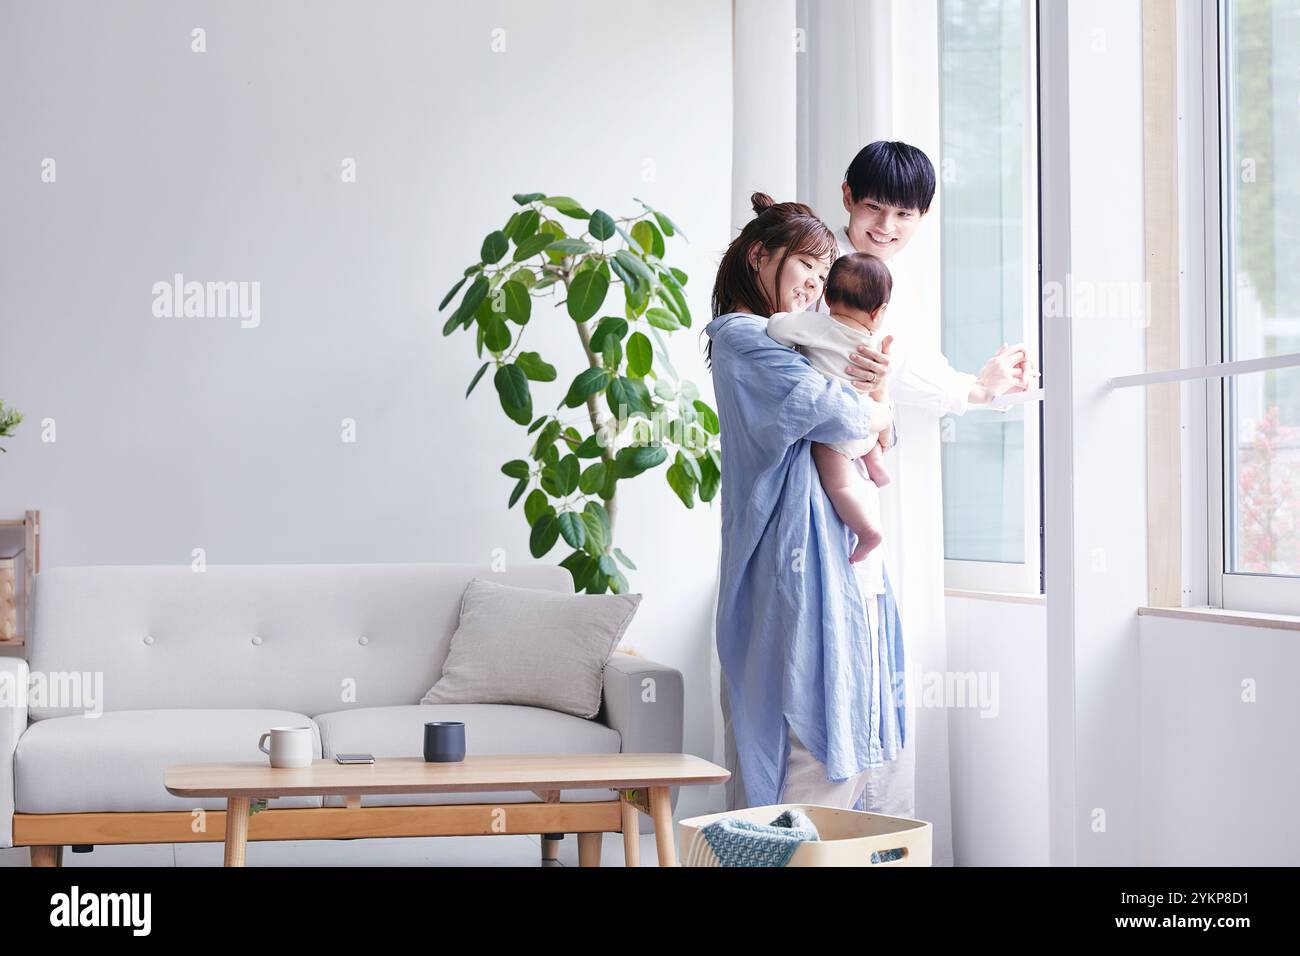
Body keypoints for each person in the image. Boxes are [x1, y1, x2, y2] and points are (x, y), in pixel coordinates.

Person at [706, 192, 905, 813]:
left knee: (836, 739)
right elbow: (842, 412)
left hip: (833, 554)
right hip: (795, 558)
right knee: (802, 745)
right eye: (804, 270)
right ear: (760, 257)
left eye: (823, 277)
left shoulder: (794, 341)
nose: (813, 289)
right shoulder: (742, 336)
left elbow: (874, 428)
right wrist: (872, 404)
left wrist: (877, 404)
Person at [767, 252, 895, 563]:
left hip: (837, 435)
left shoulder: (816, 325)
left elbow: (776, 328)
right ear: (879, 311)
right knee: (872, 410)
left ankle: (867, 531)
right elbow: (878, 393)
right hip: (868, 424)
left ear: (825, 297)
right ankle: (876, 461)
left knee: (838, 485)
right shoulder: (873, 342)